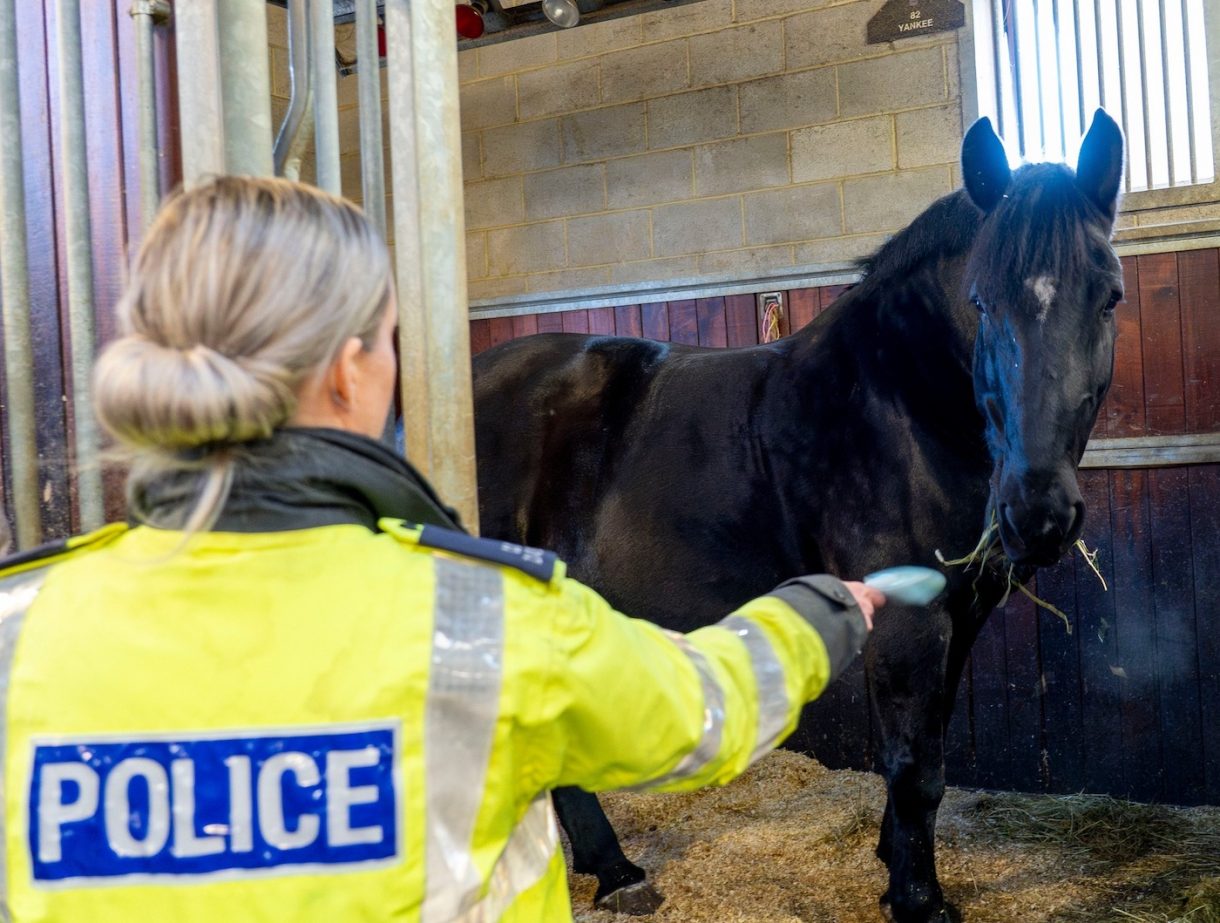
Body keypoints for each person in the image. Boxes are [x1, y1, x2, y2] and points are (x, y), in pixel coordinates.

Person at [0, 176, 884, 923]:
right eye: (389, 338)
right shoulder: (483, 622)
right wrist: (818, 612)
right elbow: (704, 713)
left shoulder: (19, 627)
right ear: (348, 370)